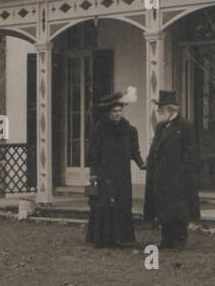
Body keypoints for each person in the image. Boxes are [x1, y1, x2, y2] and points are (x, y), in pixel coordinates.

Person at [85, 92, 146, 249]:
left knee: (123, 203)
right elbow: (93, 155)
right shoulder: (99, 130)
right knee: (105, 205)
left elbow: (135, 151)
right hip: (105, 174)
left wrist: (141, 164)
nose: (118, 114)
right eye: (114, 111)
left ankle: (124, 238)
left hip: (123, 174)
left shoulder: (130, 130)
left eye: (120, 111)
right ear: (108, 113)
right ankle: (105, 239)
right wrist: (93, 174)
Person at [143, 91, 201, 250]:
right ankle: (166, 240)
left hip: (178, 177)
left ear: (170, 110)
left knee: (178, 211)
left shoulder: (184, 126)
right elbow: (155, 146)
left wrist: (182, 174)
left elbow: (190, 153)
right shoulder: (161, 126)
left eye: (160, 110)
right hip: (161, 176)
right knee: (163, 210)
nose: (158, 112)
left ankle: (179, 241)